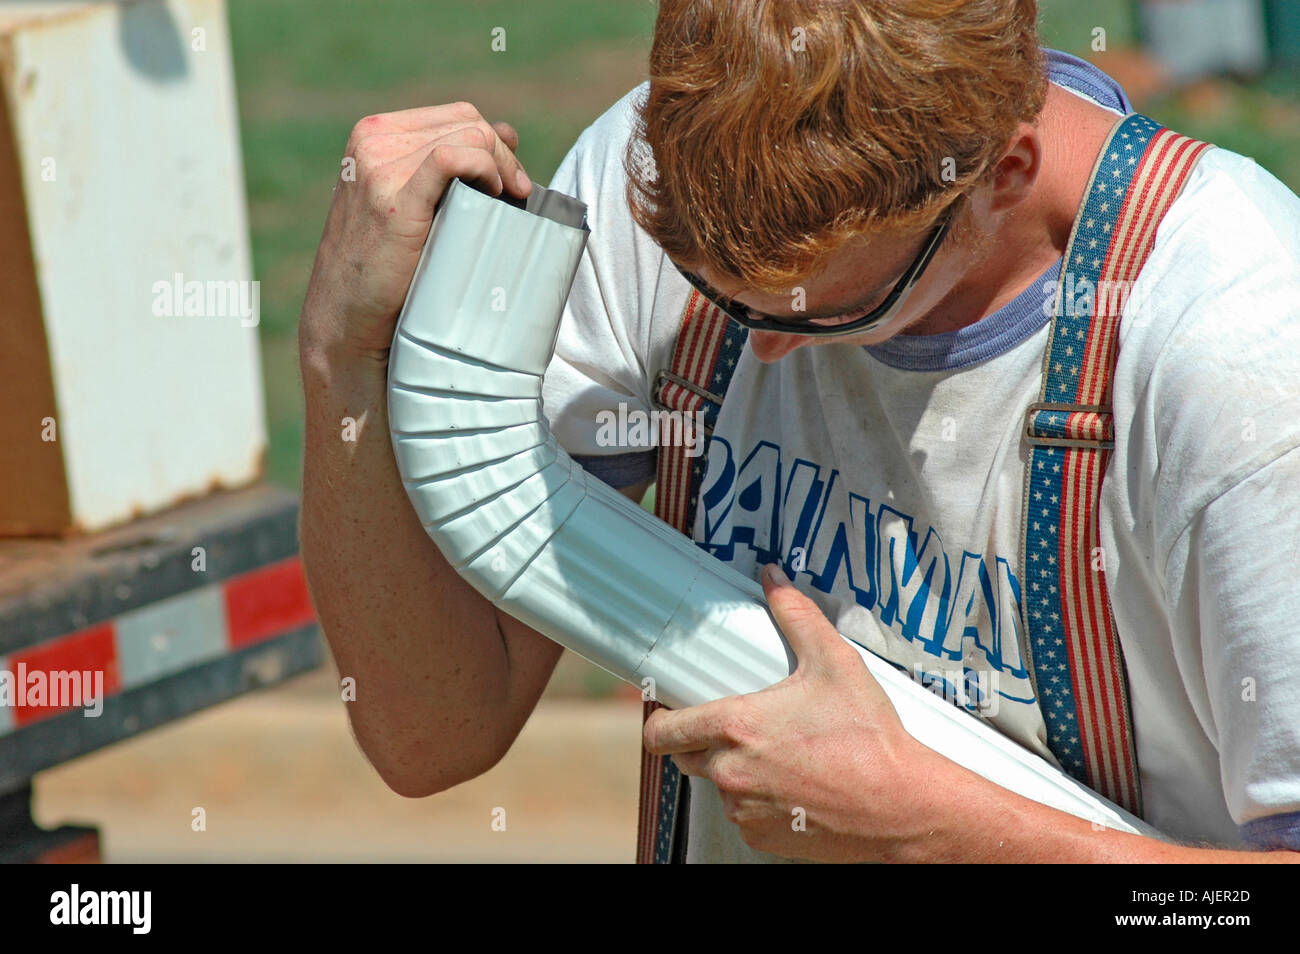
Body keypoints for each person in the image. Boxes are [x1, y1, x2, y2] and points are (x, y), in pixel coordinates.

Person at [298, 0, 1300, 863]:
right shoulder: (657, 168)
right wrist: (341, 359)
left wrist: (928, 823)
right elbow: (431, 735)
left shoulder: (1238, 352)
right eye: (709, 289)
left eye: (818, 312)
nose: (760, 351)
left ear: (1004, 171)